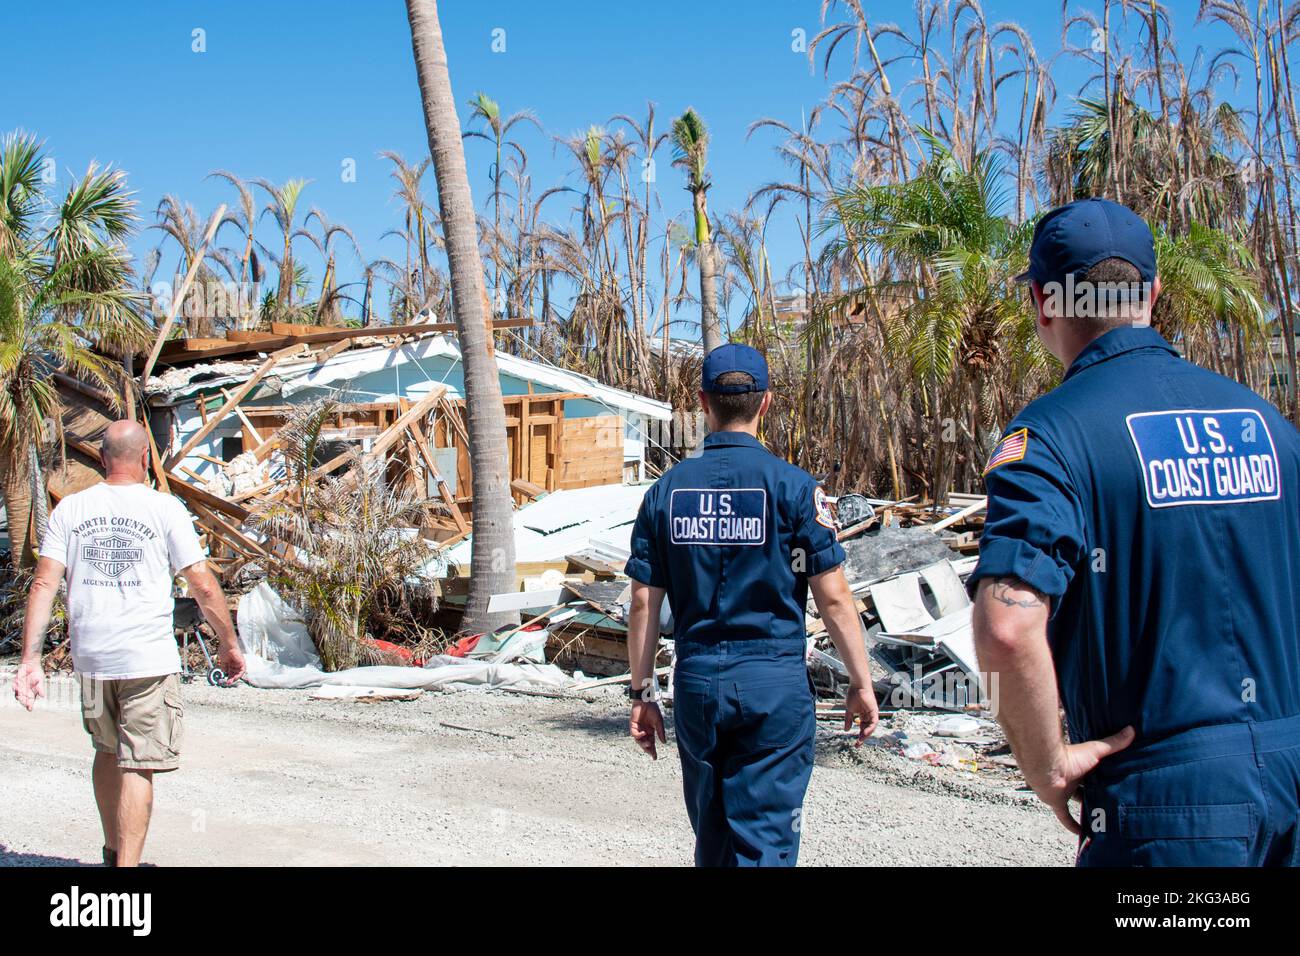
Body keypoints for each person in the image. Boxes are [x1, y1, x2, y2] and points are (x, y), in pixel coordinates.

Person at [970, 197, 1300, 866]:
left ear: (1043, 301)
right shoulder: (1270, 426)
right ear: (1153, 292)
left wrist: (1048, 765)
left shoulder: (1051, 437)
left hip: (1166, 801)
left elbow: (1006, 628)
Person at [624, 343, 878, 866]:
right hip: (773, 684)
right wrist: (861, 682)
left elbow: (644, 606)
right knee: (764, 843)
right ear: (765, 404)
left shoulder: (665, 493)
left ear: (703, 402)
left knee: (712, 841)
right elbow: (833, 596)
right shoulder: (794, 490)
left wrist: (642, 691)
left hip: (697, 686)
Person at [11, 419, 245, 867]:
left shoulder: (70, 511)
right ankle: (128, 870)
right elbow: (203, 584)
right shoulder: (165, 508)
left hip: (92, 660)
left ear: (101, 460)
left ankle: (111, 851)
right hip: (146, 660)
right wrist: (228, 643)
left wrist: (30, 659)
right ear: (144, 458)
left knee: (105, 749)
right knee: (138, 761)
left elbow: (43, 585)